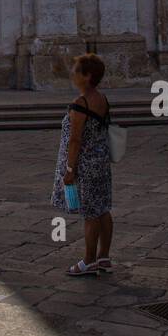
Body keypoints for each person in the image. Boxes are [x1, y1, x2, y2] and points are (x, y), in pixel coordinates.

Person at [51, 53, 113, 276]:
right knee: (103, 209)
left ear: (87, 76)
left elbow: (75, 140)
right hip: (101, 162)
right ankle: (104, 257)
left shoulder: (80, 104)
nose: (72, 75)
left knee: (90, 214)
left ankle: (88, 261)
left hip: (85, 165)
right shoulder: (102, 99)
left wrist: (69, 170)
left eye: (76, 71)